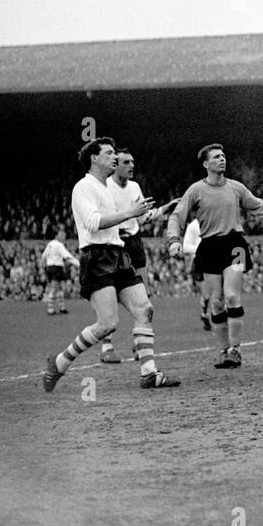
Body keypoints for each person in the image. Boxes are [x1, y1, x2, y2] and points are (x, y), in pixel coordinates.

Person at [41, 137, 180, 392]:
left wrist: (147, 213)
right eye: (109, 153)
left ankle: (149, 374)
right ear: (94, 158)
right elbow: (93, 223)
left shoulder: (106, 188)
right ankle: (60, 362)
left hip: (118, 254)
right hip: (97, 257)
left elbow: (126, 220)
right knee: (107, 323)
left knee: (144, 309)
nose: (114, 157)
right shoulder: (83, 187)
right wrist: (130, 213)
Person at [165, 143, 263, 369]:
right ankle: (223, 351)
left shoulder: (236, 187)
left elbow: (258, 206)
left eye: (223, 156)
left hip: (235, 244)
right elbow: (177, 217)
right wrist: (174, 240)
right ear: (206, 164)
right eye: (216, 157)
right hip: (210, 246)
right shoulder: (195, 190)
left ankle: (236, 350)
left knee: (232, 296)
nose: (222, 159)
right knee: (216, 301)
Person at [102, 146, 175, 363]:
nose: (131, 166)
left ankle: (139, 345)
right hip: (114, 242)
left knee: (144, 294)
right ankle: (107, 347)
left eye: (132, 162)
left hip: (134, 243)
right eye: (126, 162)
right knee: (112, 294)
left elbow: (143, 218)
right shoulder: (104, 187)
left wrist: (165, 209)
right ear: (115, 165)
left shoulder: (134, 187)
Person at [40, 230, 79, 316]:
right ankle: (50, 308)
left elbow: (43, 256)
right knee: (55, 288)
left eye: (64, 235)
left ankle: (62, 307)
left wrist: (43, 266)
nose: (64, 237)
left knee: (59, 288)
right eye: (62, 235)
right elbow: (67, 256)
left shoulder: (50, 244)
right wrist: (78, 263)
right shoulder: (59, 245)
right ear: (57, 235)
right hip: (56, 268)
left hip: (50, 267)